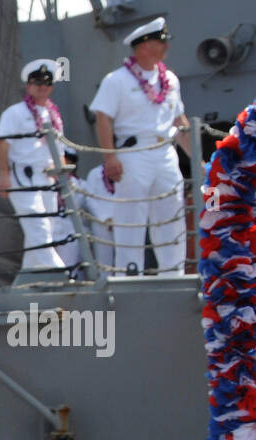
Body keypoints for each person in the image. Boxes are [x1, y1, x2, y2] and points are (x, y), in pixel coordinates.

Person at [87, 16, 191, 275]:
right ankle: (128, 273)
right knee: (131, 217)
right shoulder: (117, 80)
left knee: (171, 214)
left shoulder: (171, 81)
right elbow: (103, 118)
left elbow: (179, 120)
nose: (166, 48)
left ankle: (173, 273)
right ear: (143, 46)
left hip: (166, 153)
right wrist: (110, 157)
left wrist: (196, 156)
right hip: (133, 154)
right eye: (160, 42)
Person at [0, 59, 68, 275]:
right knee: (39, 230)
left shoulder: (54, 115)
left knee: (47, 231)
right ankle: (62, 275)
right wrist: (4, 174)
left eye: (46, 83)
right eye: (37, 83)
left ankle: (27, 281)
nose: (42, 87)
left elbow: (60, 150)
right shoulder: (15, 113)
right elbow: (2, 143)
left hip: (47, 179)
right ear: (28, 86)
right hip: (22, 176)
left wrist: (63, 176)